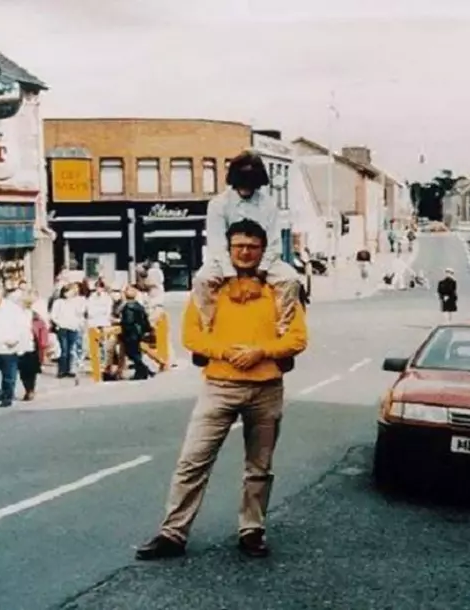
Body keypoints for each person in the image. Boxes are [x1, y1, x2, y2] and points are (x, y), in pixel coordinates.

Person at [135, 219, 308, 561]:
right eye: (238, 246)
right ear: (228, 250)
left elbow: (298, 337)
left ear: (263, 251)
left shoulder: (280, 290)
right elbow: (192, 336)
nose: (245, 252)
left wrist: (262, 352)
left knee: (259, 467)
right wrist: (226, 352)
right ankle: (173, 533)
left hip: (267, 389)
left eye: (252, 246)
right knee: (192, 461)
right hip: (219, 387)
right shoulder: (210, 290)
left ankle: (251, 530)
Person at [190, 152, 300, 348]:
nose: (247, 189)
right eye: (242, 184)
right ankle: (207, 330)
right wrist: (231, 277)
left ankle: (282, 331)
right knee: (202, 280)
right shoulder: (218, 204)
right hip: (227, 258)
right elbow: (217, 244)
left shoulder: (269, 204)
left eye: (251, 184)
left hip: (262, 258)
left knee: (290, 279)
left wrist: (260, 273)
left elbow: (275, 243)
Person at [17, 291, 50, 401]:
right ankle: (28, 388)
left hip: (33, 345)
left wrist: (44, 346)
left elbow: (42, 331)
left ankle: (30, 389)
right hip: (20, 345)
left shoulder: (35, 317)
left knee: (31, 369)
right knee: (23, 371)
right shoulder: (17, 316)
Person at [119, 285, 155, 380]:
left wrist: (122, 325)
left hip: (130, 333)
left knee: (132, 354)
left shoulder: (127, 308)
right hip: (139, 333)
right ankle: (142, 373)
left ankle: (145, 370)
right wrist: (147, 330)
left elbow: (128, 322)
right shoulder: (139, 306)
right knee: (136, 353)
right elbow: (145, 320)